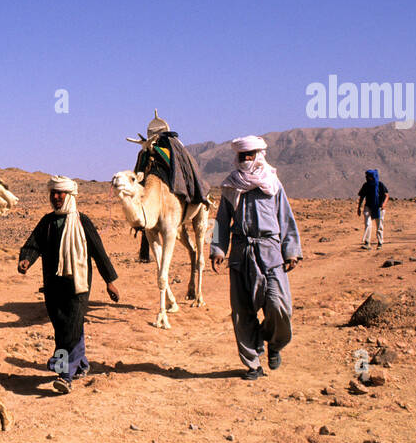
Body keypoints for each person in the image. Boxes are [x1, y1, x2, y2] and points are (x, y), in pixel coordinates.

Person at [209, 136, 302, 381]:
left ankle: (274, 343)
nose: (246, 160)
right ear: (237, 157)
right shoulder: (230, 185)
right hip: (241, 253)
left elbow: (286, 218)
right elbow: (220, 221)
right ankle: (253, 364)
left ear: (259, 155)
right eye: (243, 156)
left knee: (278, 305)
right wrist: (218, 249)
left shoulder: (272, 183)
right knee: (241, 311)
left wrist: (291, 250)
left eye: (250, 155)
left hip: (270, 251)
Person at [19, 178, 120, 394]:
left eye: (60, 194)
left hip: (78, 286)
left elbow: (99, 252)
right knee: (64, 326)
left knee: (69, 329)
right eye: (53, 193)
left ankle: (65, 375)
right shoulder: (47, 222)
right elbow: (33, 244)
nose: (55, 197)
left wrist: (109, 281)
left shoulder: (83, 222)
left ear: (70, 196)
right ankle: (81, 364)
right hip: (54, 285)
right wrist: (26, 258)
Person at [129, 111, 209, 262]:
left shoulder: (173, 149)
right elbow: (138, 171)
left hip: (171, 184)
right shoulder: (144, 153)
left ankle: (194, 196)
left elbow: (181, 166)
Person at [356, 169, 389, 249]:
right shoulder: (366, 185)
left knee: (379, 225)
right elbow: (362, 196)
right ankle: (367, 242)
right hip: (368, 206)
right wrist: (359, 207)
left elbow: (387, 195)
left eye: (370, 176)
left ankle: (380, 242)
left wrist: (384, 204)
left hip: (379, 207)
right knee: (367, 224)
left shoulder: (380, 185)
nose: (368, 178)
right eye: (368, 176)